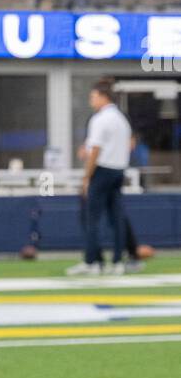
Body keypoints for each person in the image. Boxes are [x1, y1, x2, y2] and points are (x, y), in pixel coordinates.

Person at [66, 79, 132, 275]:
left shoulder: (100, 119)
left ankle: (92, 261)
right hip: (118, 170)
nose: (91, 100)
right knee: (116, 217)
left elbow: (95, 149)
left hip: (102, 171)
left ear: (104, 97)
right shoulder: (121, 119)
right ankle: (118, 261)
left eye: (93, 96)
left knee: (90, 217)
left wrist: (87, 177)